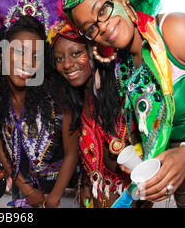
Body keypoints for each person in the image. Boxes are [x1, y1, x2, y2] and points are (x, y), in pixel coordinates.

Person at [60, 0, 185, 207]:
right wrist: (137, 158)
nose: (103, 26)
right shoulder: (123, 69)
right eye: (90, 28)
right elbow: (148, 127)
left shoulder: (174, 31)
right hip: (184, 174)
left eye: (103, 9)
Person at [0, 14, 79, 208]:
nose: (28, 62)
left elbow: (72, 152)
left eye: (35, 56)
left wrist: (54, 198)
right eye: (20, 52)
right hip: (20, 195)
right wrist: (26, 190)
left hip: (63, 195)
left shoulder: (57, 94)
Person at [48, 20, 131, 208]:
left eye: (76, 53)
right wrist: (86, 180)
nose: (67, 64)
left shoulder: (122, 94)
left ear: (94, 51)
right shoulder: (72, 103)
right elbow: (80, 152)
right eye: (59, 58)